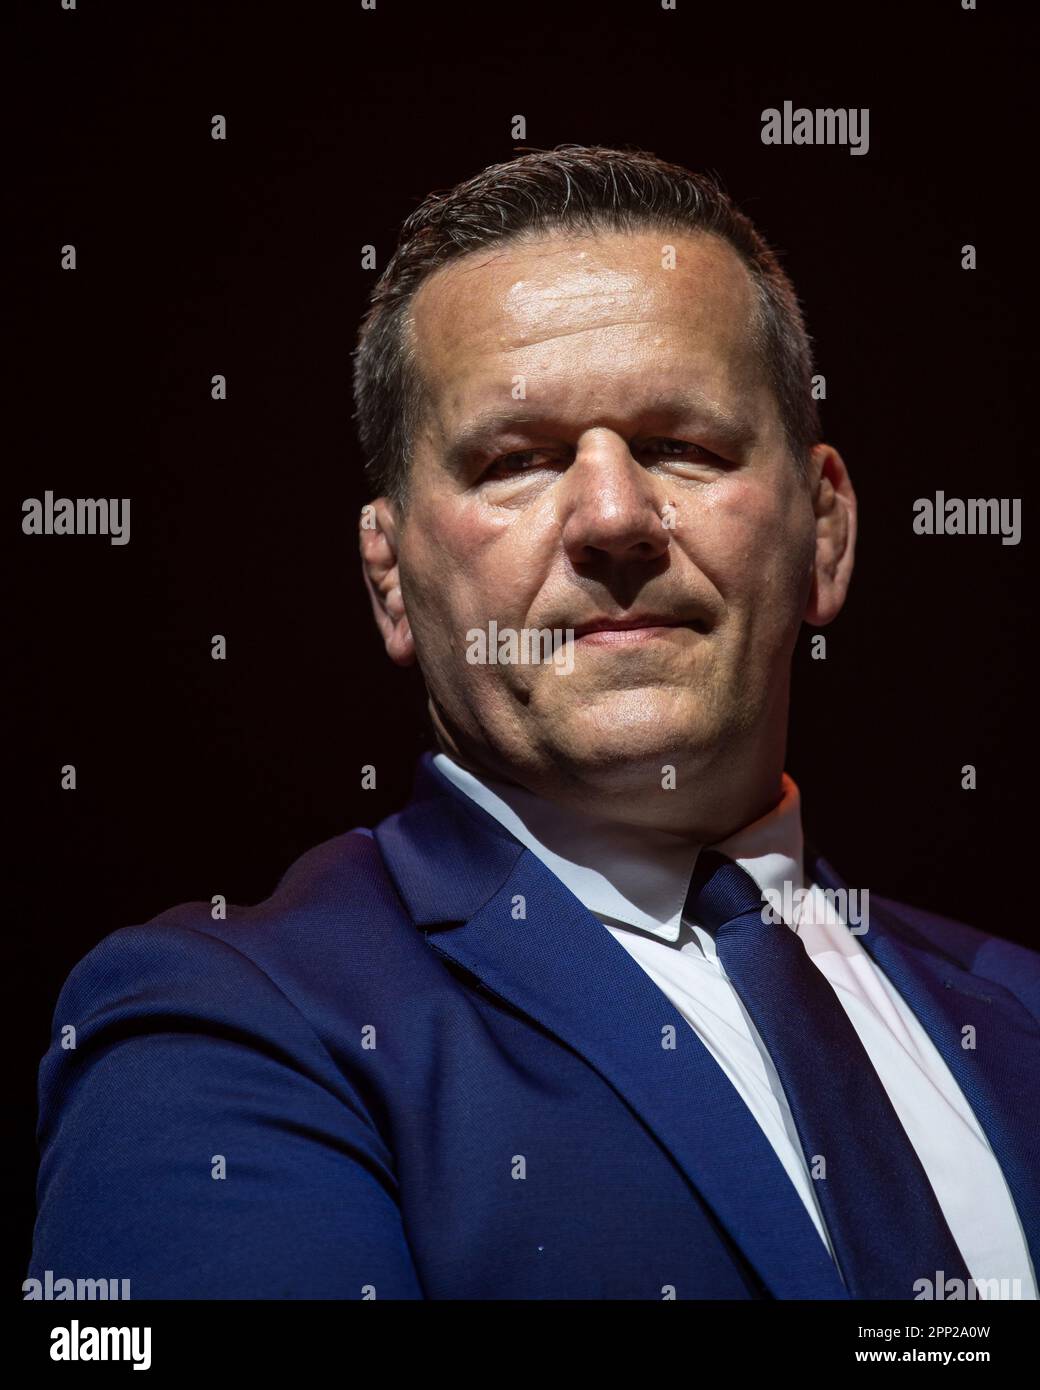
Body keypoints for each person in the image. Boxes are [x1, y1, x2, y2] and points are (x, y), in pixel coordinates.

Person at [29, 146, 1039, 1301]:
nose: (613, 518)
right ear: (390, 579)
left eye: (680, 446)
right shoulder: (224, 1028)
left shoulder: (1016, 1014)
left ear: (824, 531)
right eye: (515, 461)